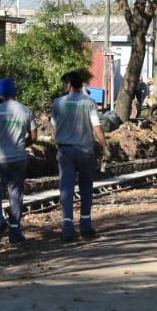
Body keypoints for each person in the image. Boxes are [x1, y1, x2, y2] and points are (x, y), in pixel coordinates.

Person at [51, 70, 109, 241]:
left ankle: (67, 229)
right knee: (86, 189)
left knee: (66, 189)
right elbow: (97, 126)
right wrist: (104, 146)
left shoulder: (57, 103)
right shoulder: (89, 102)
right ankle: (86, 227)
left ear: (68, 84)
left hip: (65, 151)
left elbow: (54, 124)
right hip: (85, 151)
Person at [0, 77, 38, 245]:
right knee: (15, 195)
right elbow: (34, 136)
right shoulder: (26, 111)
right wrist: (23, 144)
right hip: (19, 159)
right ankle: (15, 233)